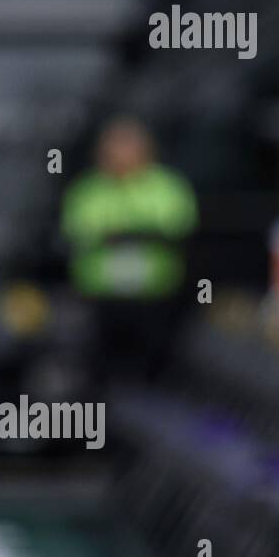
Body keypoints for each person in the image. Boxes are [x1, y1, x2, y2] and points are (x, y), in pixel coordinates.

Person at [61, 116, 198, 389]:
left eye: (129, 147)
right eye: (114, 147)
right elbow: (80, 232)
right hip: (101, 300)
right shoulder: (87, 190)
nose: (121, 155)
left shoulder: (167, 187)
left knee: (155, 371)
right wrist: (140, 234)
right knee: (97, 373)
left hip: (155, 299)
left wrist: (119, 236)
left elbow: (178, 229)